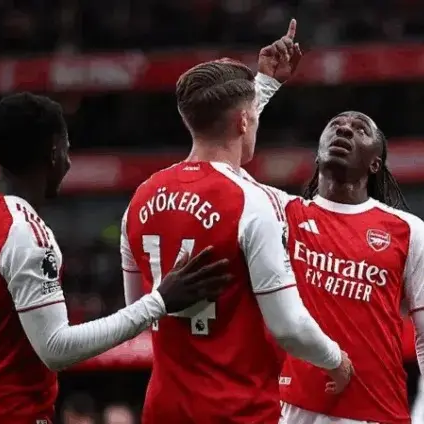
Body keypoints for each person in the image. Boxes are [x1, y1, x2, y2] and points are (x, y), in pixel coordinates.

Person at [0, 93, 230, 424]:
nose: (68, 162)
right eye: (67, 149)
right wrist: (159, 301)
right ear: (53, 153)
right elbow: (56, 348)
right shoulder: (26, 233)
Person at [120, 20, 353, 424]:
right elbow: (289, 327)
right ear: (244, 121)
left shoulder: (139, 199)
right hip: (239, 411)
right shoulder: (253, 202)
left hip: (164, 409)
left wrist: (265, 84)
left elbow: (135, 311)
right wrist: (336, 360)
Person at [251, 65, 424, 422]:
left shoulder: (408, 230)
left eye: (360, 129)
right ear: (317, 155)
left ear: (375, 163)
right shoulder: (283, 213)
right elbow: (222, 160)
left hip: (377, 411)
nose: (344, 129)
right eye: (335, 125)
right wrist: (264, 85)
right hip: (294, 409)